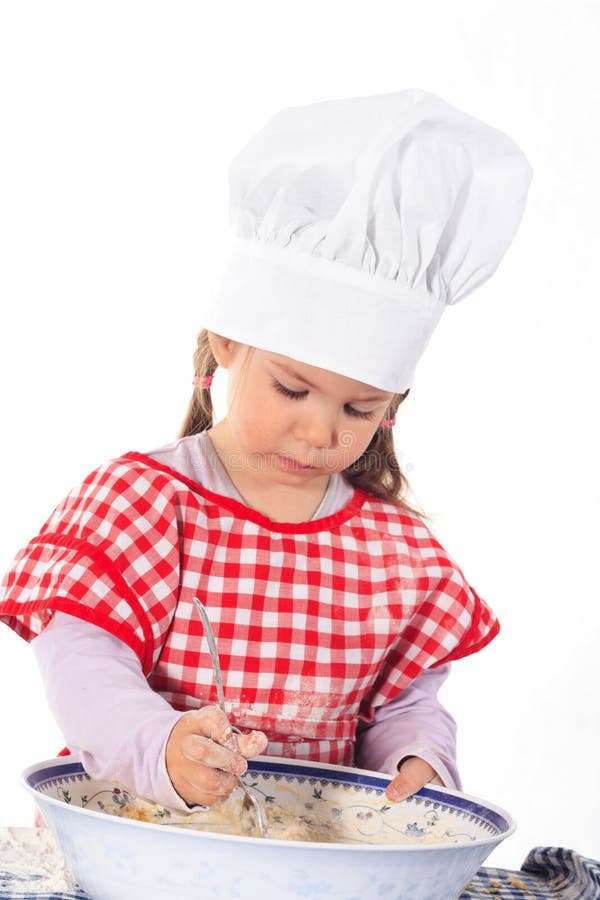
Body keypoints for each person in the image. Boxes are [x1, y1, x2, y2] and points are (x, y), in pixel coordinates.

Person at [0, 88, 532, 814]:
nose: (319, 432)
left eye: (358, 408)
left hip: (303, 862)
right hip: (137, 830)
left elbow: (405, 706)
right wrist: (161, 746)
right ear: (228, 343)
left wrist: (418, 758)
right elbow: (82, 665)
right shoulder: (145, 501)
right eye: (291, 390)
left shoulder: (396, 552)